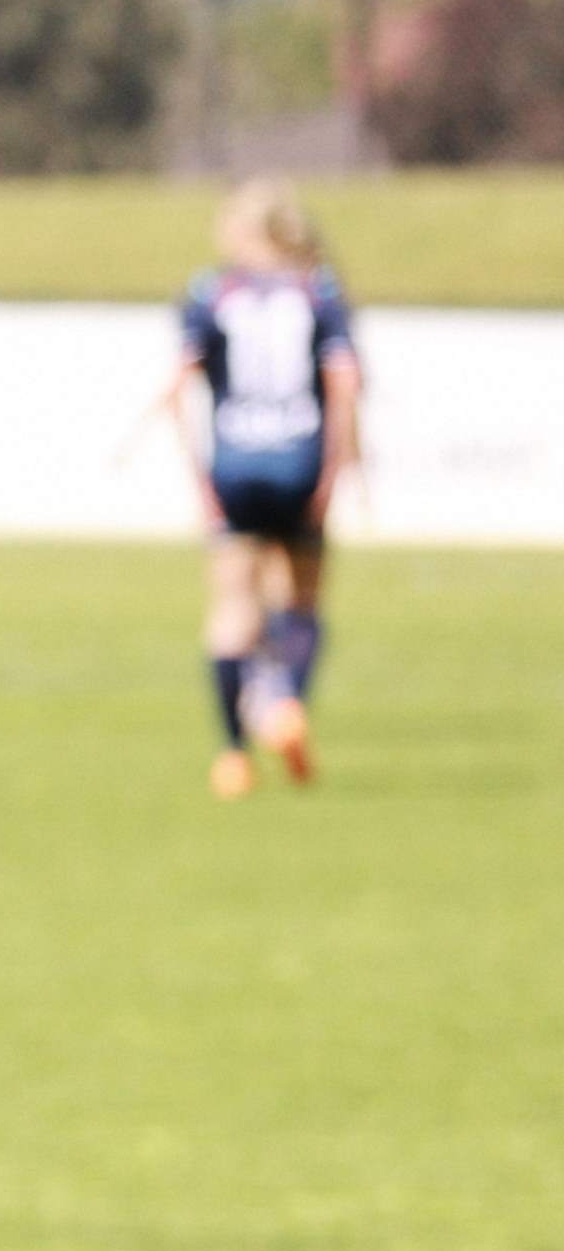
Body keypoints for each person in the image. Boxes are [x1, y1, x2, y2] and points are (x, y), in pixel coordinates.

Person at [160, 179, 359, 797]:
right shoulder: (319, 291)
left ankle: (232, 755)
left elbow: (177, 389)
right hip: (299, 461)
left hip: (236, 465)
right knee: (299, 600)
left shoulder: (212, 291)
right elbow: (345, 383)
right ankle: (284, 708)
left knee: (232, 607)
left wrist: (199, 476)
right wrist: (336, 469)